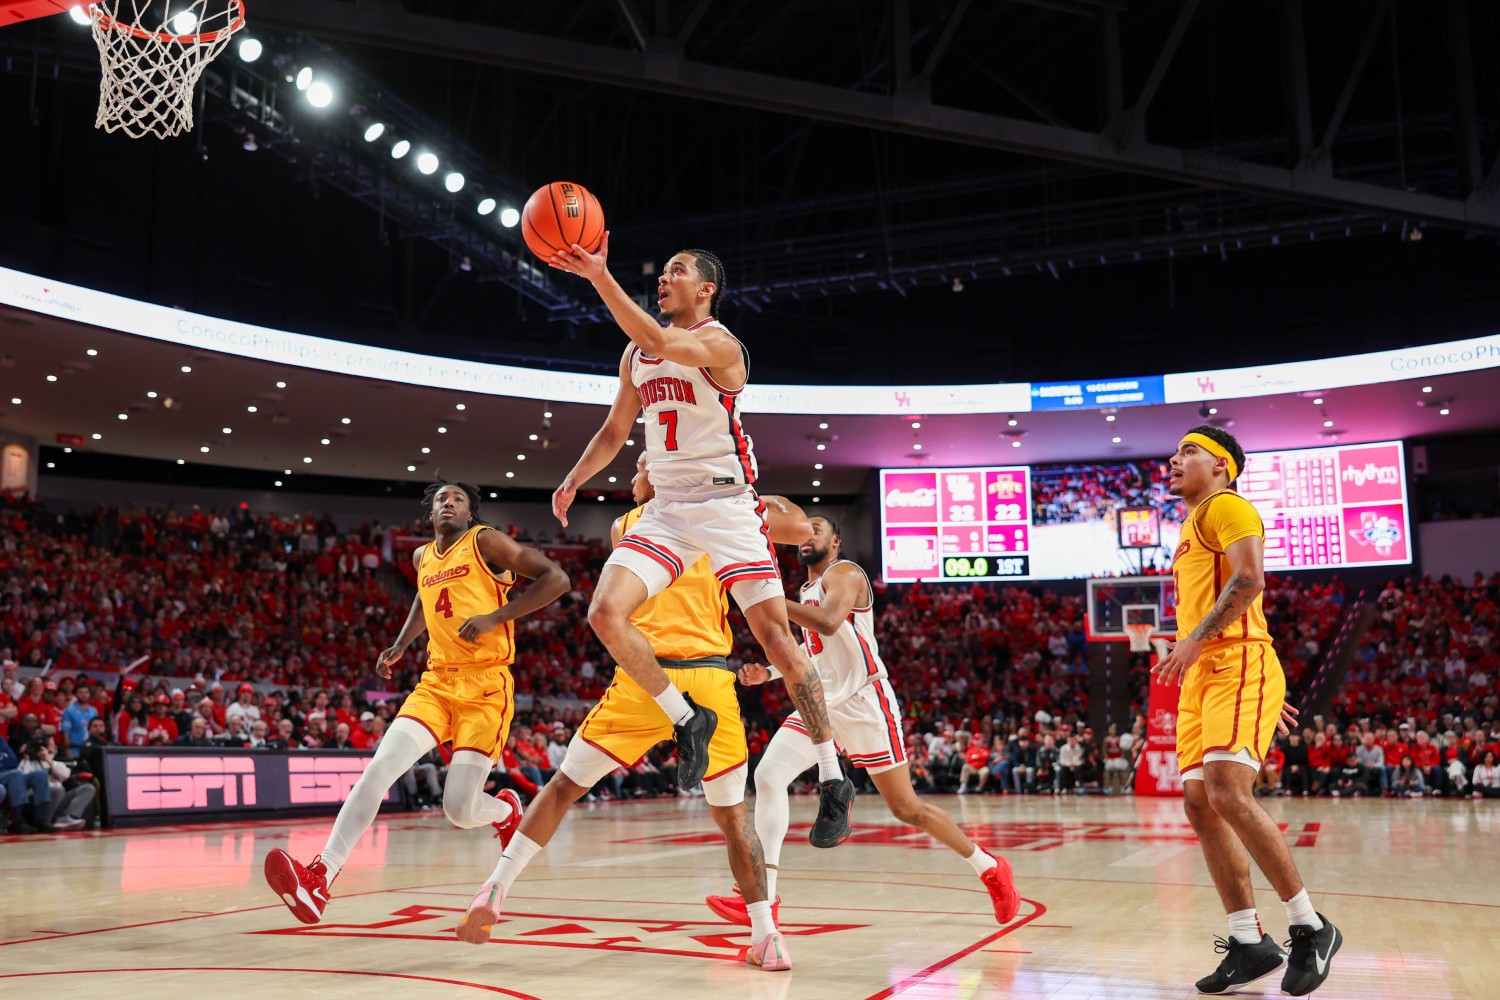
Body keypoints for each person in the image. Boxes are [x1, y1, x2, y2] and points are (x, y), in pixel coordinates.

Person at [547, 240, 851, 848]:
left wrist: (600, 275)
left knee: (778, 644)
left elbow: (665, 344)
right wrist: (575, 478)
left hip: (727, 506)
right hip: (666, 509)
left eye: (675, 272)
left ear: (706, 288)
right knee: (604, 613)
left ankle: (832, 776)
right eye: (659, 272)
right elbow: (614, 430)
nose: (663, 279)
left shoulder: (721, 345)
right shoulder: (636, 352)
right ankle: (688, 721)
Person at [456, 454, 809, 970]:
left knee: (563, 787)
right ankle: (768, 936)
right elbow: (798, 525)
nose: (633, 476)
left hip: (646, 678)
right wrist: (737, 486)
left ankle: (494, 888)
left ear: (661, 475)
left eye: (641, 467)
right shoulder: (716, 515)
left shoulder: (631, 524)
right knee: (734, 819)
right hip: (710, 677)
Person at [263, 478, 569, 925]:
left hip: (485, 688)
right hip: (436, 684)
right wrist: (402, 644)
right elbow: (425, 601)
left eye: (458, 499)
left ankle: (505, 809)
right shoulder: (421, 556)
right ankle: (320, 878)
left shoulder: (485, 542)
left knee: (459, 811)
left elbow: (555, 579)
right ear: (431, 513)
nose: (449, 503)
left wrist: (495, 617)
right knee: (378, 771)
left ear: (470, 513)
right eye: (441, 498)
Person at [711, 515, 1020, 933]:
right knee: (767, 776)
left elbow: (829, 622)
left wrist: (762, 599)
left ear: (836, 542)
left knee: (906, 808)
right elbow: (812, 647)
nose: (809, 533)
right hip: (821, 701)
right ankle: (764, 894)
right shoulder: (805, 590)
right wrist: (768, 672)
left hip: (864, 701)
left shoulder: (847, 573)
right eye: (805, 528)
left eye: (818, 527)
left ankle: (990, 868)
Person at [1152, 426, 1340, 996]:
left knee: (1229, 791)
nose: (1174, 458)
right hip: (1208, 673)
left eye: (1189, 451)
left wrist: (1211, 648)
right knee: (1199, 804)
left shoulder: (1227, 505)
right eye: (1176, 450)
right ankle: (1249, 940)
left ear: (1223, 467)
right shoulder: (1189, 524)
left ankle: (1310, 926)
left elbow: (1251, 579)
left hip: (1232, 661)